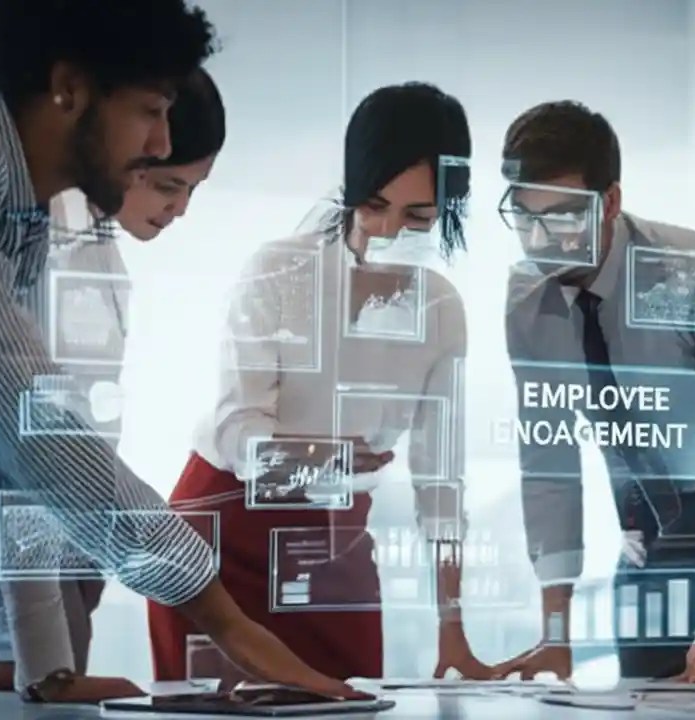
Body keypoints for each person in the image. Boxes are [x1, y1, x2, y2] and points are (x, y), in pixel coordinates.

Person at [0, 2, 363, 718]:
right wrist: (226, 620)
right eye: (150, 111)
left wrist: (42, 667)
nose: (160, 142)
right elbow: (29, 433)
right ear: (68, 89)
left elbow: (18, 447)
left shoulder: (19, 217)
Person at [148, 82, 491, 683]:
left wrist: (453, 628)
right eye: (373, 205)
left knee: (352, 698)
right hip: (221, 540)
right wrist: (317, 459)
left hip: (334, 542)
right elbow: (235, 429)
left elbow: (442, 484)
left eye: (416, 216)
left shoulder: (441, 310)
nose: (385, 232)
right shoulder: (279, 270)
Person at [0, 67, 226, 704]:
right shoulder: (48, 237)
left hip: (47, 535)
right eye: (169, 185)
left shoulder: (92, 238)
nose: (179, 210)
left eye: (193, 191)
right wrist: (26, 654)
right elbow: (8, 442)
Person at [492, 100, 695, 683]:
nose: (540, 239)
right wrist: (556, 634)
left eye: (563, 217)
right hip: (645, 544)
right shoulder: (530, 299)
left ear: (611, 203)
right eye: (525, 217)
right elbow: (549, 465)